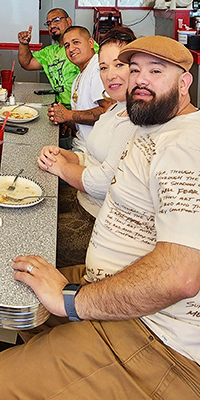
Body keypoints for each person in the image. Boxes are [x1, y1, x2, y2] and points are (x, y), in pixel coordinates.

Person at [0, 36, 200, 400]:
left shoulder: (189, 147)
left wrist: (72, 300)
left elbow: (180, 275)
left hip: (167, 351)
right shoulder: (156, 128)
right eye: (134, 69)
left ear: (185, 82)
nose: (139, 81)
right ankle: (69, 399)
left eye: (156, 72)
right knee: (21, 289)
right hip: (139, 310)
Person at [39, 28, 137, 266]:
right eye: (104, 68)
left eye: (119, 65)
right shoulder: (116, 108)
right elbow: (92, 156)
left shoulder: (133, 119)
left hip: (103, 222)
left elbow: (105, 184)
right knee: (33, 208)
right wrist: (66, 156)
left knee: (35, 240)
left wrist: (62, 167)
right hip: (85, 201)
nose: (109, 75)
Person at [45, 25, 111, 146]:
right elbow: (80, 124)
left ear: (91, 42)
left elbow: (108, 112)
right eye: (67, 45)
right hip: (79, 142)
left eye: (76, 42)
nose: (71, 49)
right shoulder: (79, 77)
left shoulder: (97, 68)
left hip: (92, 150)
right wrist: (61, 116)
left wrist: (68, 115)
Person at [17, 8, 79, 107]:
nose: (52, 25)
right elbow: (27, 63)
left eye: (56, 20)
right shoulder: (49, 52)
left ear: (69, 21)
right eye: (49, 23)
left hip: (79, 111)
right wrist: (24, 44)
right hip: (58, 108)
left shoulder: (81, 46)